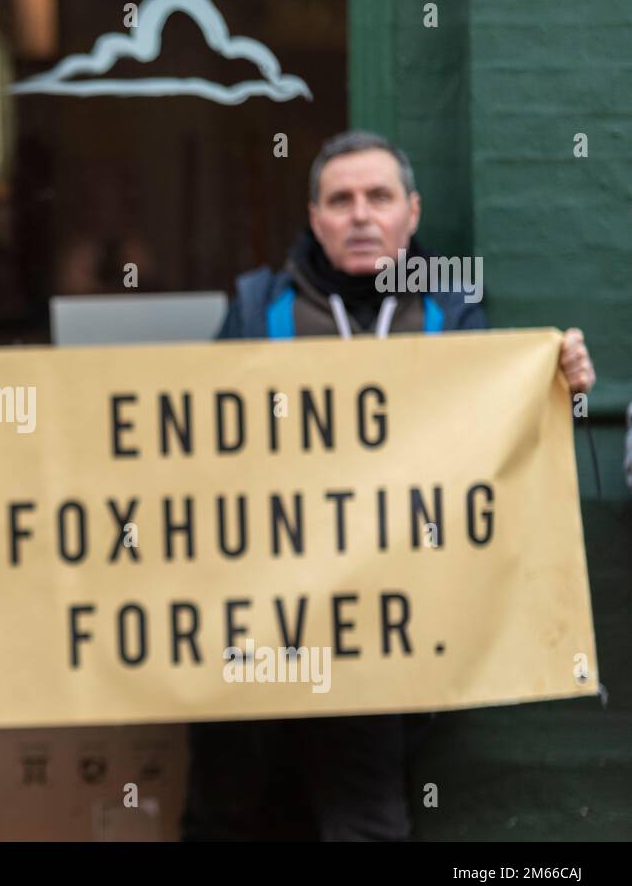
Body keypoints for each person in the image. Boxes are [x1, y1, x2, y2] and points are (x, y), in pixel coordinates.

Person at [184, 129, 596, 841]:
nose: (361, 215)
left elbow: (499, 438)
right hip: (263, 619)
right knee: (231, 810)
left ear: (412, 210)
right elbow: (205, 446)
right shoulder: (258, 307)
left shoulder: (452, 311)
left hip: (387, 622)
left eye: (378, 197)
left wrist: (564, 389)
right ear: (314, 218)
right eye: (340, 200)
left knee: (363, 817)